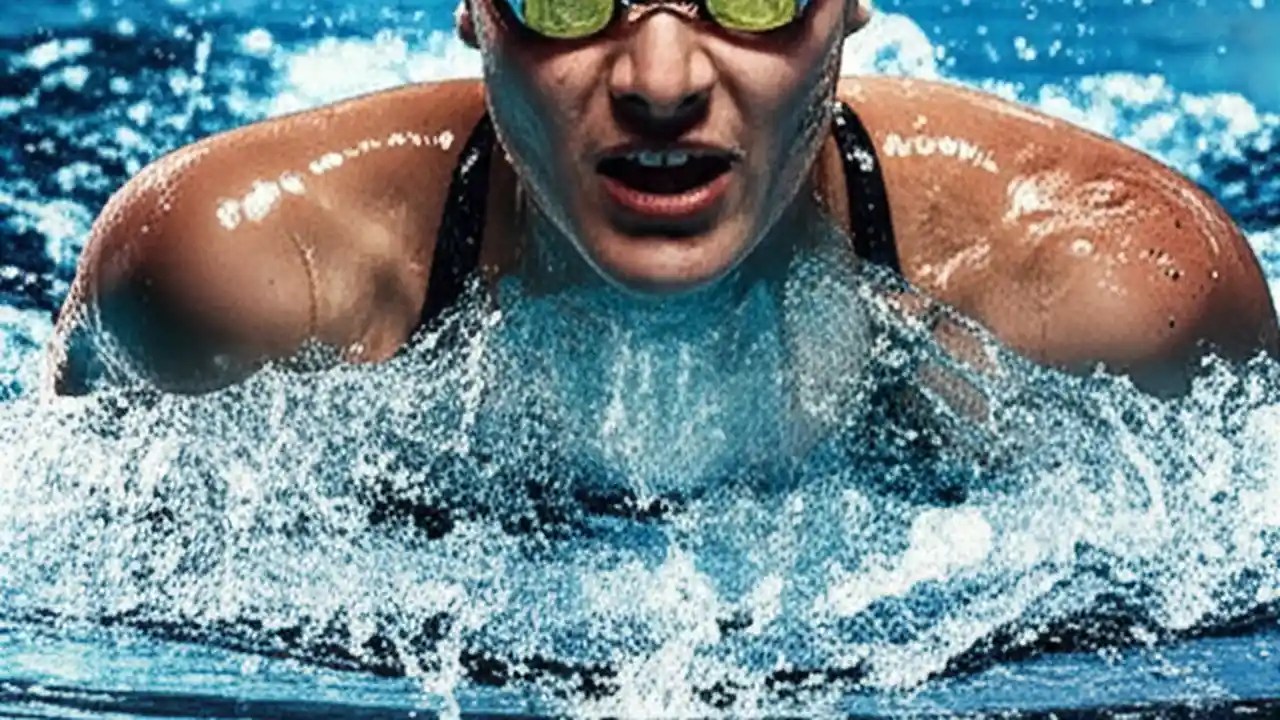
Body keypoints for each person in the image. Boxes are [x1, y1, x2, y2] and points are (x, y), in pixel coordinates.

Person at [46, 0, 1278, 400]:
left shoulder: (1115, 294)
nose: (659, 80)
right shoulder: (241, 273)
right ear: (471, 5)